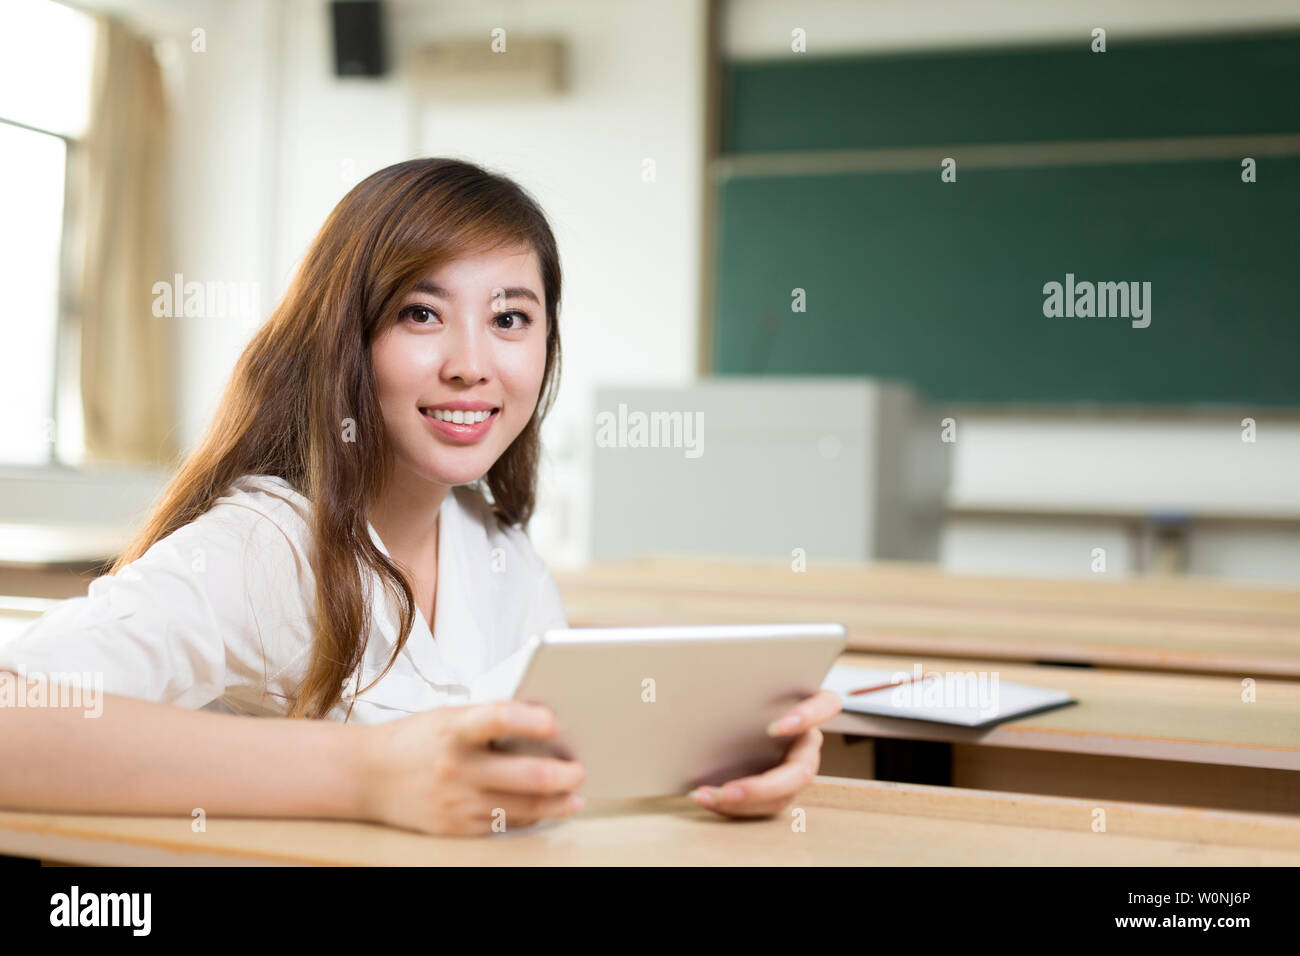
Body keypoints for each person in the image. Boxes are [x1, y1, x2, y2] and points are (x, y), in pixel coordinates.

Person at [0, 157, 840, 837]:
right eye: (420, 314)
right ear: (345, 342)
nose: (471, 363)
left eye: (511, 319)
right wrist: (367, 776)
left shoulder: (494, 548)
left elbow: (532, 770)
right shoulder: (261, 548)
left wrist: (713, 764)